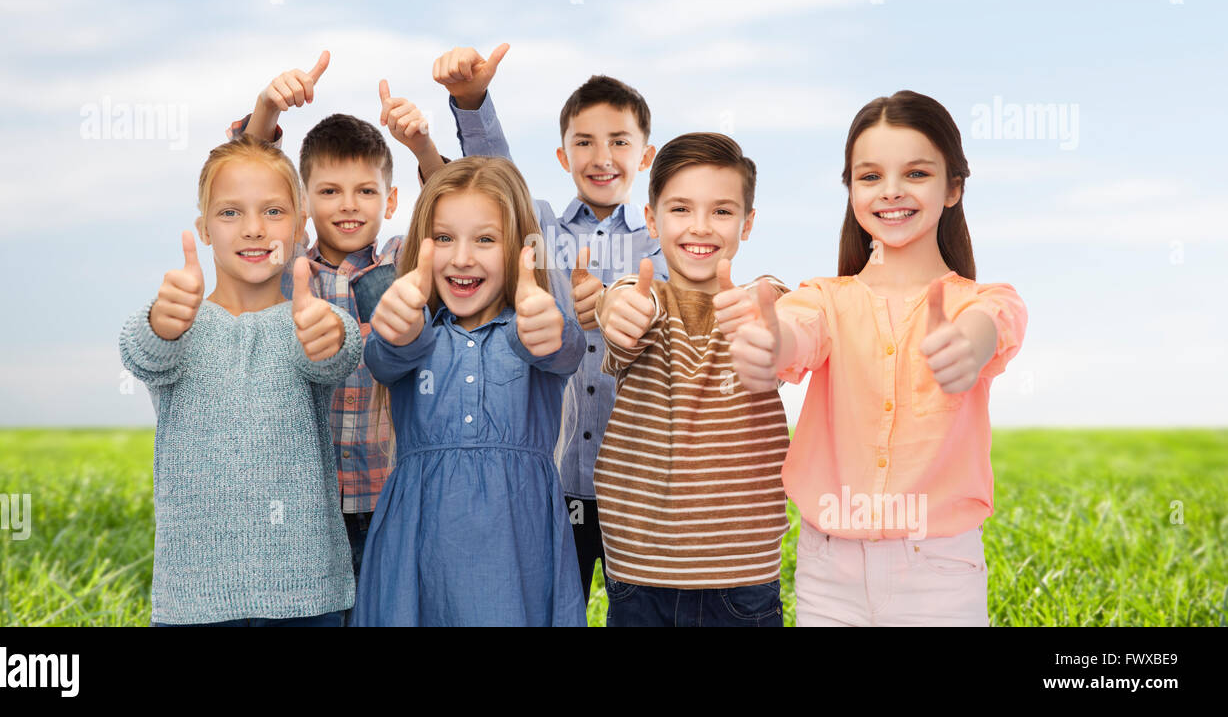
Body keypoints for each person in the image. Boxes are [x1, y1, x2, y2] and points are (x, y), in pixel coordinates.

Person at [726, 90, 1028, 626]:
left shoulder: (982, 302)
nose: (891, 192)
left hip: (939, 572)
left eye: (916, 174)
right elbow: (796, 333)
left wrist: (969, 343)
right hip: (828, 574)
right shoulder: (823, 298)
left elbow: (994, 325)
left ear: (953, 187)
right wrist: (769, 344)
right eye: (869, 177)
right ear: (851, 191)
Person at [434, 44, 667, 605]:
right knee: (545, 605)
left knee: (639, 612)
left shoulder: (662, 242)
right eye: (583, 142)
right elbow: (498, 173)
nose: (601, 155)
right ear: (563, 156)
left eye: (619, 142)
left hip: (634, 487)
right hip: (555, 484)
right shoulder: (542, 229)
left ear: (646, 154)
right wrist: (471, 101)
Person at [225, 51, 445, 614]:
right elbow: (245, 179)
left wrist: (421, 147)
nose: (349, 205)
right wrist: (266, 109)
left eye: (366, 192)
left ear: (392, 200)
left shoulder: (403, 261)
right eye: (328, 192)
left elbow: (455, 209)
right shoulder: (284, 264)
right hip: (302, 505)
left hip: (387, 499)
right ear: (301, 203)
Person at [120, 134, 362, 626]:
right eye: (230, 213)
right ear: (203, 228)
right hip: (194, 598)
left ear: (299, 226)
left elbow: (337, 353)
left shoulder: (311, 320)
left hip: (305, 593)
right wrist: (160, 324)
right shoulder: (178, 323)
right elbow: (142, 354)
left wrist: (331, 332)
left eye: (273, 212)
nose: (253, 229)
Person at [351, 156, 587, 626]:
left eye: (486, 239)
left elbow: (564, 349)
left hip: (516, 559)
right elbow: (384, 356)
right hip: (416, 558)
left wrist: (547, 323)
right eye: (443, 238)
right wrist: (398, 328)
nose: (461, 257)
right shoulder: (414, 334)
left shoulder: (534, 330)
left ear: (521, 248)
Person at [592, 133, 790, 627]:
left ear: (747, 225)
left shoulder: (764, 302)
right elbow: (619, 311)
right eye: (681, 209)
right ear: (652, 220)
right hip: (640, 575)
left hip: (742, 579)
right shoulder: (643, 300)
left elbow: (788, 325)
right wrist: (616, 308)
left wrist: (773, 331)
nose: (700, 227)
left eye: (722, 212)